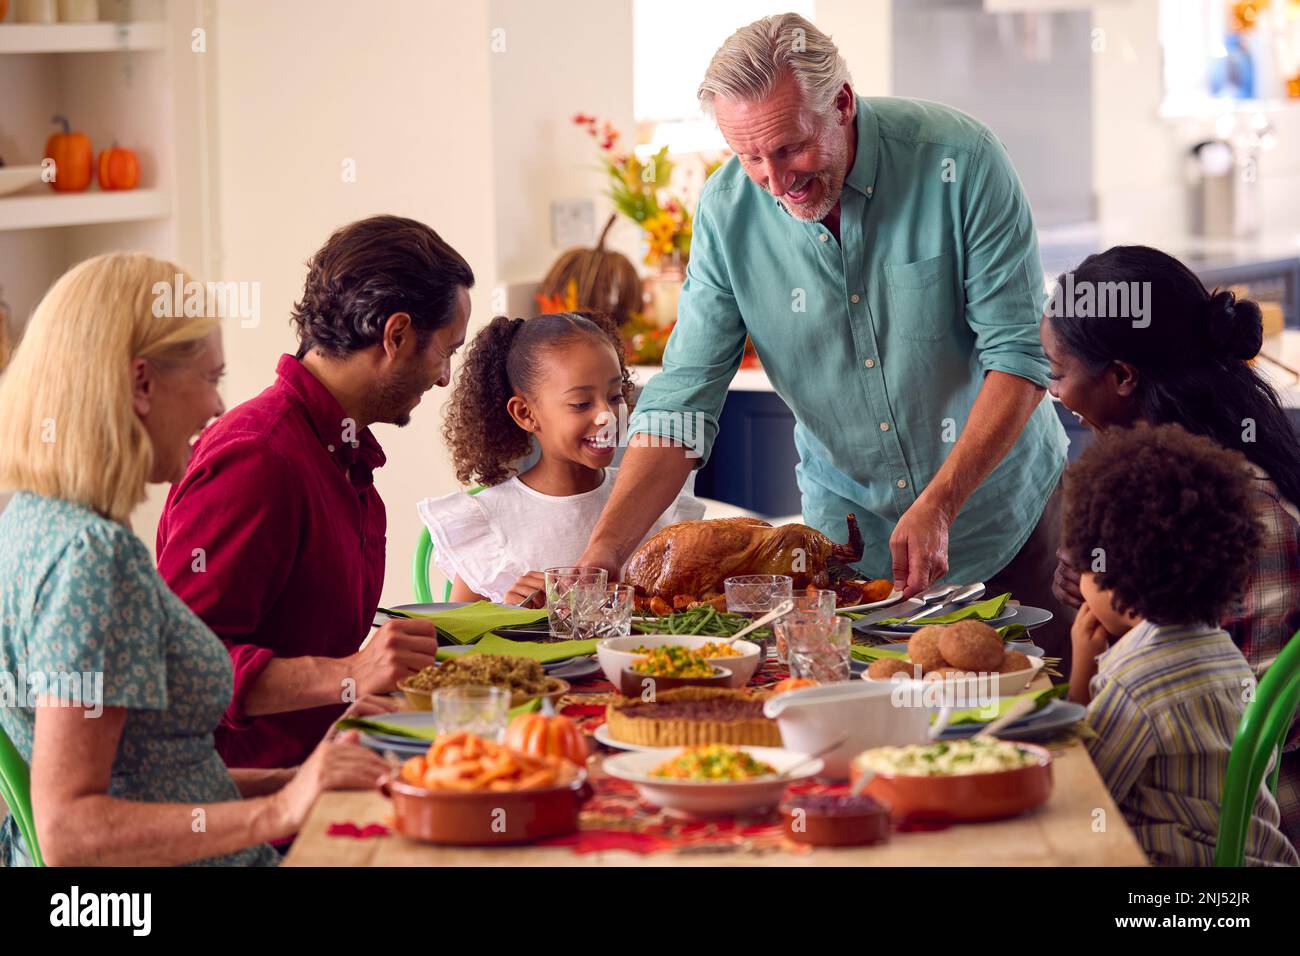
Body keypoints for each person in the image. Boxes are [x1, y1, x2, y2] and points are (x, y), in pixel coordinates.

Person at [575, 13, 1073, 659]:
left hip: (1004, 521)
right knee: (867, 730)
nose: (777, 184)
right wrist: (605, 551)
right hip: (848, 541)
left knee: (1030, 726)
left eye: (789, 149)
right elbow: (683, 398)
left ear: (841, 102)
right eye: (749, 157)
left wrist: (941, 502)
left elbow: (1018, 356)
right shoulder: (729, 213)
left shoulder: (960, 160)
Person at [0, 253, 387, 866]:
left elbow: (150, 779)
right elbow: (70, 831)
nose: (217, 406)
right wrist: (278, 812)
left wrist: (295, 780)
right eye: (211, 377)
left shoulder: (34, 519)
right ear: (140, 384)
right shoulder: (91, 559)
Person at [156, 215, 473, 769]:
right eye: (445, 351)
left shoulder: (340, 450)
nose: (445, 376)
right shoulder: (260, 456)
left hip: (335, 758)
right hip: (252, 803)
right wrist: (351, 673)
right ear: (395, 336)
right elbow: (179, 666)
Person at [1043, 244, 1300, 847]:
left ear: (1123, 376)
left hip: (1245, 799)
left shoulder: (1241, 506)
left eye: (1058, 372)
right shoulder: (1164, 488)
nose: (1054, 392)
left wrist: (1108, 611)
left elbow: (1227, 710)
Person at [1062, 422, 1296, 866]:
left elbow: (1082, 796)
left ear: (1117, 584)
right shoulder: (1221, 648)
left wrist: (1083, 672)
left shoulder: (1134, 679)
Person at [423, 311, 703, 606]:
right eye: (581, 403)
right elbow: (459, 639)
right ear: (526, 413)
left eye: (615, 396)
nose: (606, 415)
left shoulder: (651, 494)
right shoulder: (488, 521)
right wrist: (508, 613)